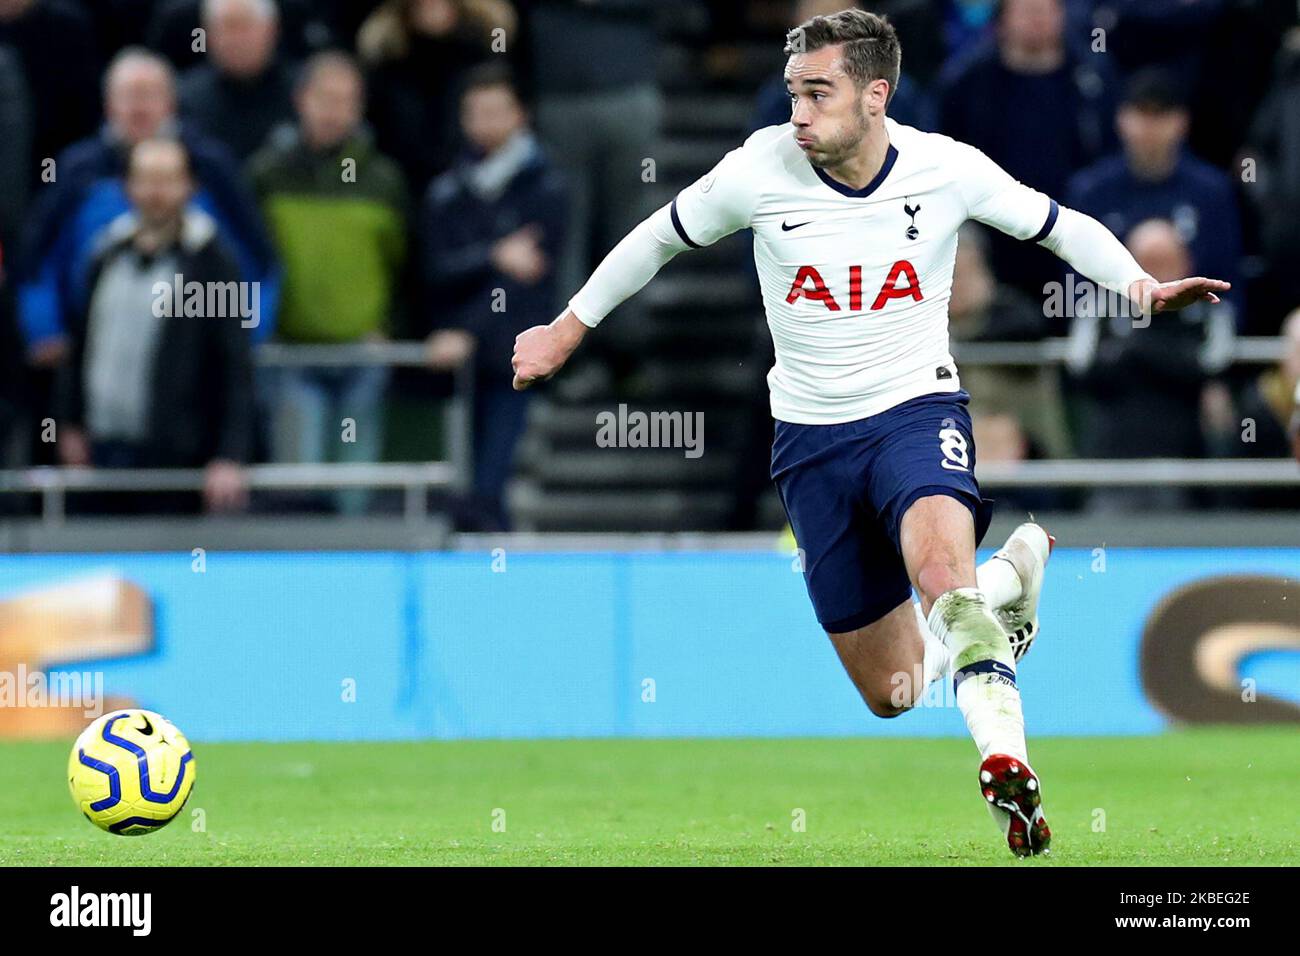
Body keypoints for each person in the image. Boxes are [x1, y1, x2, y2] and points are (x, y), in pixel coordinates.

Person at [510, 9, 1229, 856]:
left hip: (915, 413)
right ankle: (1010, 581)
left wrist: (1139, 288)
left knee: (938, 574)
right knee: (891, 690)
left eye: (819, 93)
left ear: (875, 95)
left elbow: (1058, 223)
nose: (799, 114)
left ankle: (1006, 762)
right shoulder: (758, 171)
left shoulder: (945, 168)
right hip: (812, 440)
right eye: (793, 94)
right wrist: (568, 326)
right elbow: (657, 240)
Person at [54, 138, 253, 514]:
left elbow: (235, 364)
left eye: (167, 179)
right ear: (127, 186)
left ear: (189, 186)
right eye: (145, 179)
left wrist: (230, 454)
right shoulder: (106, 252)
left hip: (176, 460)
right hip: (102, 451)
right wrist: (70, 421)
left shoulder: (213, 262)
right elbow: (80, 344)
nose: (155, 192)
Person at [248, 51, 408, 516]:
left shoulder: (384, 179)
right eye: (325, 99)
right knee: (298, 486)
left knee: (354, 491)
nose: (334, 111)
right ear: (301, 100)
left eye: (346, 101)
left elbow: (405, 264)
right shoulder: (266, 174)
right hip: (292, 353)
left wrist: (391, 326)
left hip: (364, 353)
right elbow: (246, 260)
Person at [424, 64, 566, 531]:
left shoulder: (547, 187)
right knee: (457, 490)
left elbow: (531, 282)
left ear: (520, 115)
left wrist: (469, 330)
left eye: (496, 111)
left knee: (493, 483)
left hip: (515, 357)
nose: (485, 122)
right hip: (455, 362)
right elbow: (435, 270)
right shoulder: (447, 190)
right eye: (475, 113)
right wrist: (493, 256)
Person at [178, 0, 298, 162]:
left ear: (272, 30)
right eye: (225, 28)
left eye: (244, 27)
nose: (235, 40)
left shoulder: (302, 93)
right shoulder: (186, 99)